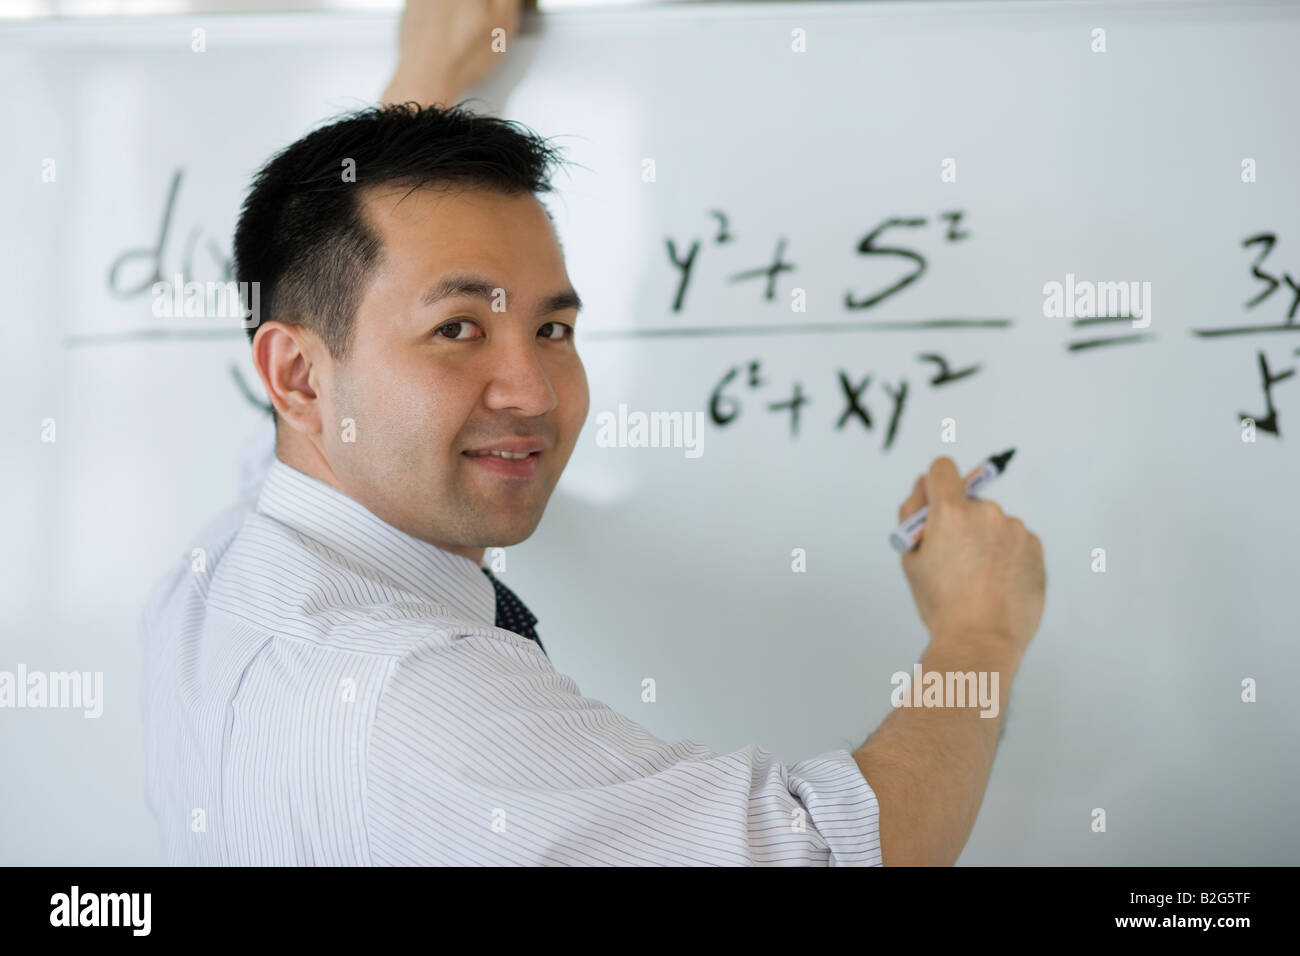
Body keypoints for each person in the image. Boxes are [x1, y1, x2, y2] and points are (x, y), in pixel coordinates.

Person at [139, 0, 1045, 866]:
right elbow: (835, 854)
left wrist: (421, 90)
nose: (533, 391)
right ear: (297, 374)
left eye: (553, 329)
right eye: (456, 329)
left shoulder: (221, 575)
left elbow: (300, 431)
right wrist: (977, 636)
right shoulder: (420, 698)